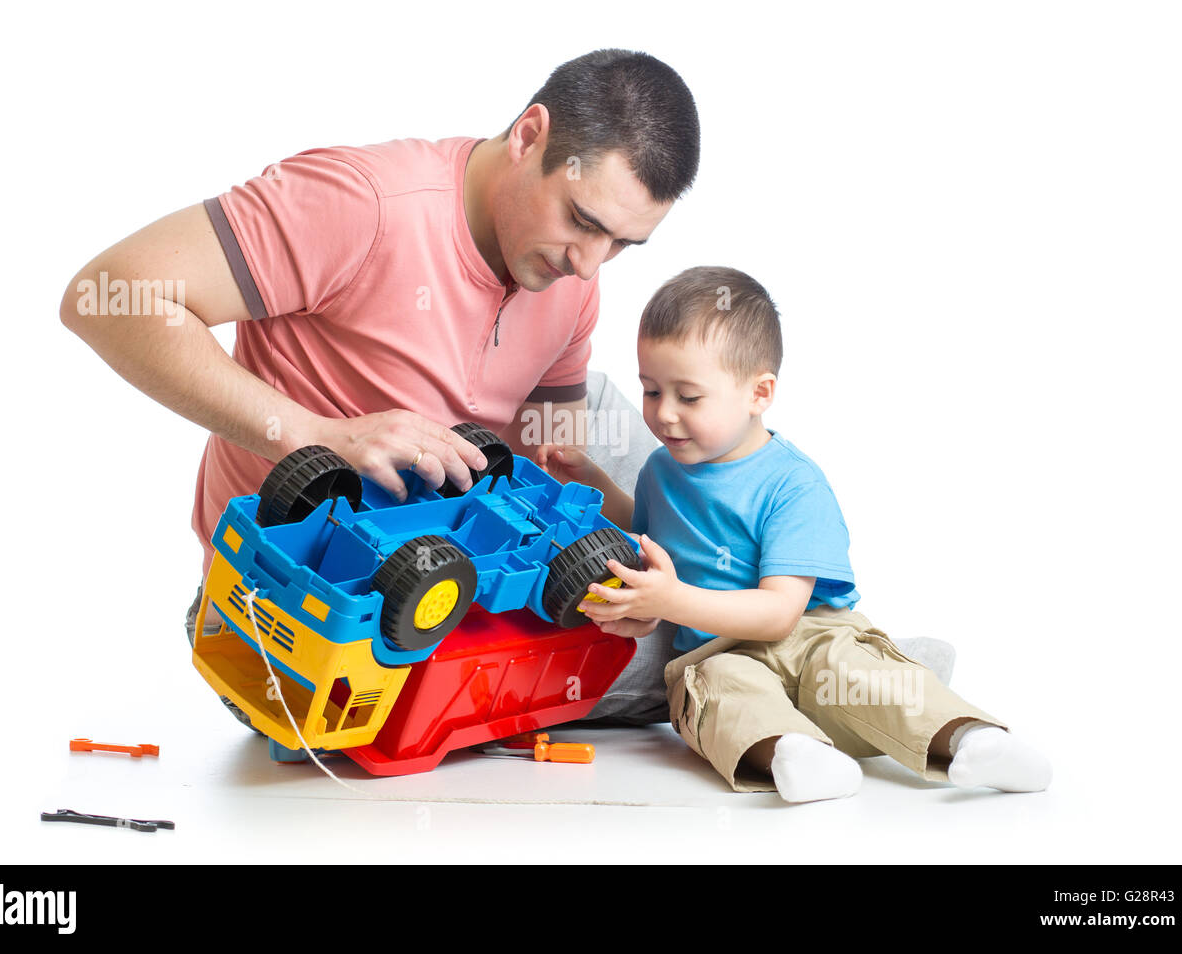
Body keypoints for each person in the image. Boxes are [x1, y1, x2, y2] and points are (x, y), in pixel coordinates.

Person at [59, 51, 699, 725]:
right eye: (582, 219)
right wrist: (318, 435)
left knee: (624, 435)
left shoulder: (574, 285)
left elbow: (549, 467)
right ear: (529, 136)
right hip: (308, 611)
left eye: (623, 244)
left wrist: (618, 570)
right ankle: (747, 652)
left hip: (457, 562)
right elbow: (106, 297)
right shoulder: (359, 205)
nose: (589, 264)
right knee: (688, 659)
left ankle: (769, 607)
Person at [538, 266, 1052, 801]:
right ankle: (793, 752)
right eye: (650, 390)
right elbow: (648, 532)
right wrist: (594, 480)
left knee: (854, 669)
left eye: (688, 397)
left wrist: (673, 599)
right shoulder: (659, 472)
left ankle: (975, 739)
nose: (664, 414)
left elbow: (780, 613)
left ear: (759, 392)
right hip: (714, 655)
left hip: (807, 637)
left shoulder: (792, 484)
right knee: (716, 693)